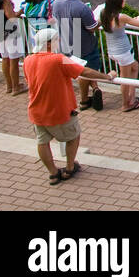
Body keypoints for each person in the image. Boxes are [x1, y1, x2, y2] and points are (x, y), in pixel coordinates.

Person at [25, 27, 117, 185]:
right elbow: (85, 71)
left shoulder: (28, 60)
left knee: (42, 142)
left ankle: (53, 173)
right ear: (48, 44)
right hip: (59, 110)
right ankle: (69, 168)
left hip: (36, 111)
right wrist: (107, 76)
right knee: (73, 136)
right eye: (55, 40)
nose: (58, 42)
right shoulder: (58, 59)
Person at [52, 0, 104, 111]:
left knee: (81, 71)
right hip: (84, 45)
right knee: (85, 71)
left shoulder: (57, 2)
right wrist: (100, 20)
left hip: (65, 44)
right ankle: (84, 100)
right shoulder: (82, 8)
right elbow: (91, 27)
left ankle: (95, 89)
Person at [99, 0, 139, 112]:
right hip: (123, 52)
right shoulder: (121, 17)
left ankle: (132, 97)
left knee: (135, 67)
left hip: (113, 51)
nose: (124, 1)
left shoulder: (104, 14)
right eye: (122, 0)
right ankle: (126, 104)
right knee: (125, 79)